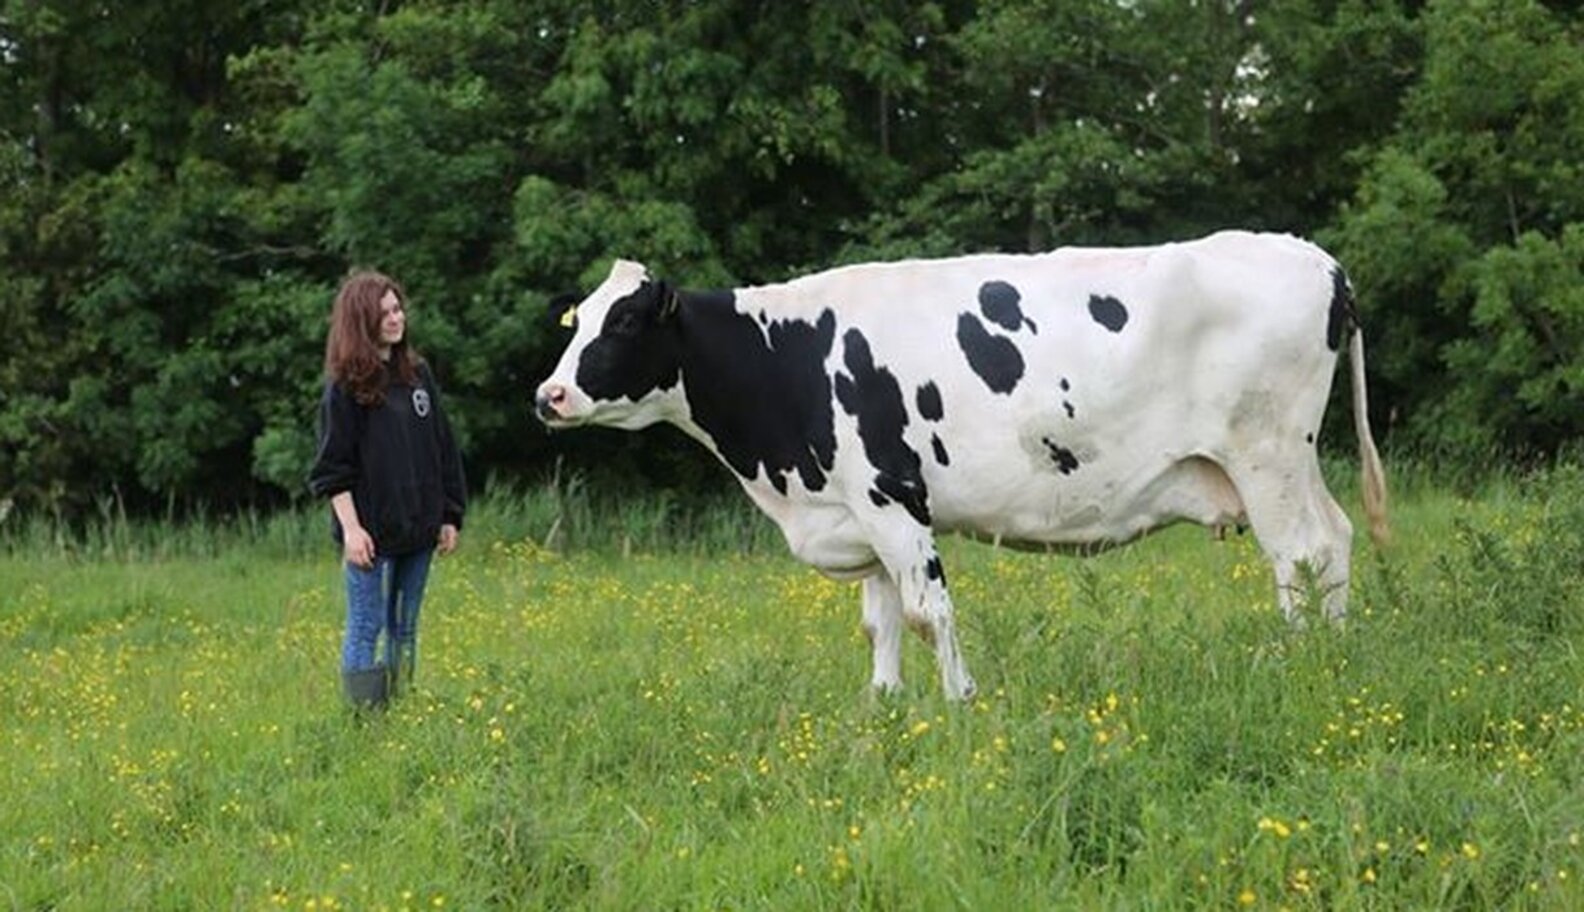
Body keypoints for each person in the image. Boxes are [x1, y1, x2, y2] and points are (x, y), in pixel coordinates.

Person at [308, 270, 466, 709]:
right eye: (384, 313)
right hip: (371, 536)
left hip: (419, 529)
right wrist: (353, 531)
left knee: (405, 625)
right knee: (366, 626)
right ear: (362, 321)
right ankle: (365, 719)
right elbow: (332, 469)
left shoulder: (418, 375)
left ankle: (402, 708)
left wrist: (450, 514)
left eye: (398, 309)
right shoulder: (344, 387)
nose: (396, 319)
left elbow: (442, 447)